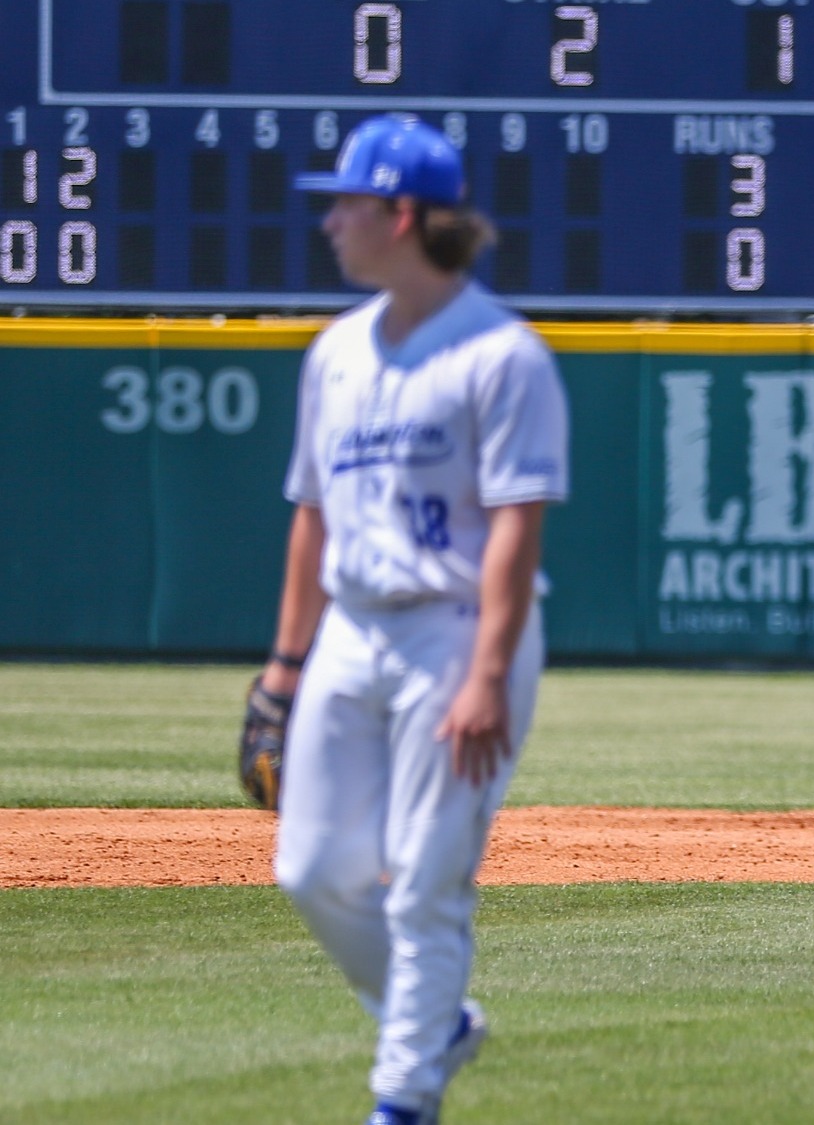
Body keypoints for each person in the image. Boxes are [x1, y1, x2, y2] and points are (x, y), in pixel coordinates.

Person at [259, 115, 569, 1125]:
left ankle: (403, 1098)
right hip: (353, 627)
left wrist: (485, 673)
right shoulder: (335, 354)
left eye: (344, 203)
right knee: (311, 868)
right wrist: (284, 668)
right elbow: (312, 518)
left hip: (459, 628)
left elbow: (516, 527)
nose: (329, 223)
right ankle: (434, 1024)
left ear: (401, 216)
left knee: (426, 879)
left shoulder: (502, 354)